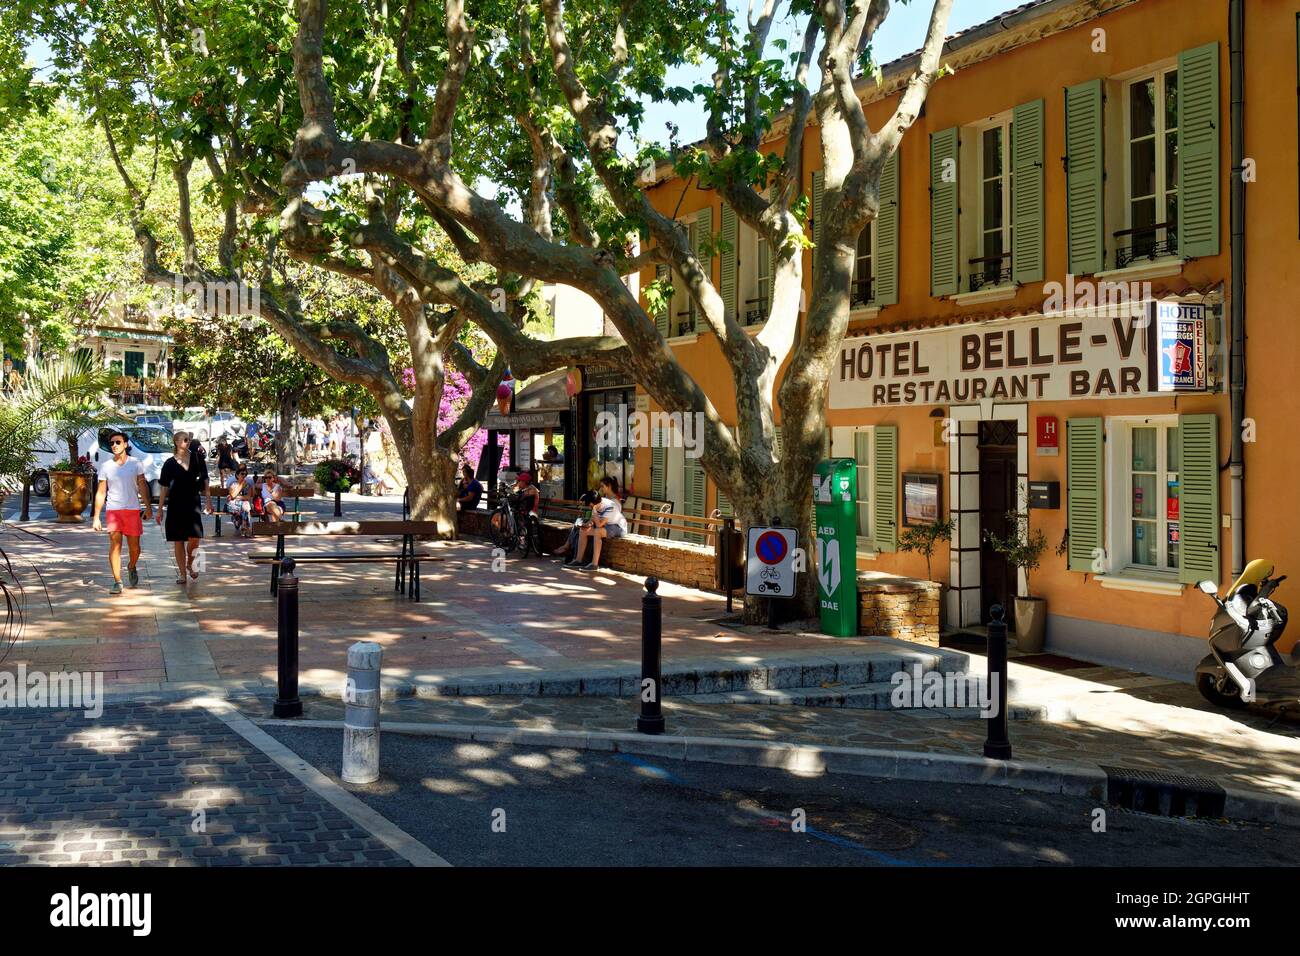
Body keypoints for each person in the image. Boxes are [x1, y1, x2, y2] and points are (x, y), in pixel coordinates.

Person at [91, 430, 154, 595]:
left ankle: (132, 566)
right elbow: (101, 492)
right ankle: (117, 581)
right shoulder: (105, 466)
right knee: (115, 545)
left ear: (125, 444)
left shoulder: (135, 463)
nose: (114, 445)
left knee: (135, 548)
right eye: (112, 443)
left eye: (117, 442)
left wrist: (148, 507)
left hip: (132, 509)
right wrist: (96, 516)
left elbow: (142, 486)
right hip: (113, 510)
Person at [156, 430, 212, 586]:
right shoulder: (169, 463)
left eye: (189, 439)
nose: (189, 442)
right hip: (175, 504)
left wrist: (208, 500)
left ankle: (191, 562)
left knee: (195, 538)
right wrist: (160, 509)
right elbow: (164, 487)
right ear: (176, 442)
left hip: (193, 502)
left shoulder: (197, 457)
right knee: (178, 539)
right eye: (185, 439)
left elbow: (206, 479)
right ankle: (182, 573)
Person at [567, 476, 627, 571]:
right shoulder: (597, 503)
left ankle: (594, 564)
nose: (590, 507)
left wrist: (594, 511)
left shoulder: (610, 506)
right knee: (583, 530)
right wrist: (586, 525)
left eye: (591, 506)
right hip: (607, 525)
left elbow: (599, 525)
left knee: (598, 531)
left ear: (594, 504)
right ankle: (578, 560)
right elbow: (593, 521)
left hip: (618, 527)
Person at [225, 465, 256, 537]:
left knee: (246, 505)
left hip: (242, 505)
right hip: (232, 505)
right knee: (246, 506)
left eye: (245, 474)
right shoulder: (233, 484)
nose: (244, 476)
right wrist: (241, 485)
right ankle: (246, 528)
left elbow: (248, 496)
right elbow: (233, 495)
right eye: (242, 474)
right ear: (237, 475)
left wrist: (237, 497)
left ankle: (242, 524)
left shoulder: (248, 485)